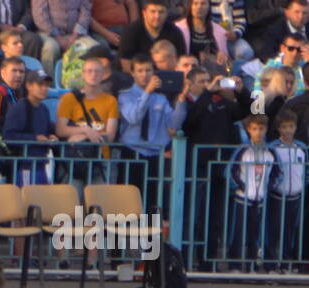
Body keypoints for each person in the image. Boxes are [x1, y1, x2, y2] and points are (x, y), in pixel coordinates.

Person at [170, 64, 247, 266]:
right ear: (191, 83)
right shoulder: (186, 101)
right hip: (195, 165)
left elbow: (247, 112)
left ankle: (208, 261)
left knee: (213, 216)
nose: (207, 85)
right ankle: (184, 261)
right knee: (191, 215)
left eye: (208, 81)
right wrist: (207, 94)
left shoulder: (221, 102)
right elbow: (188, 122)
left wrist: (243, 92)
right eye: (202, 82)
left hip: (219, 166)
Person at [118, 54, 178, 204]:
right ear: (132, 73)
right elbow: (133, 118)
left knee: (152, 202)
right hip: (132, 152)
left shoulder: (161, 98)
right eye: (140, 71)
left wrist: (182, 100)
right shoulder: (125, 96)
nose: (144, 75)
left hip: (154, 154)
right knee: (128, 202)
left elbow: (174, 124)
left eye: (148, 70)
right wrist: (146, 93)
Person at [55, 56, 119, 188]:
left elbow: (110, 136)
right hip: (75, 159)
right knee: (74, 205)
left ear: (103, 75)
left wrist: (82, 137)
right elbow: (60, 129)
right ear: (83, 74)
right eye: (89, 71)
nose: (93, 75)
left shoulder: (110, 101)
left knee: (98, 206)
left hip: (101, 159)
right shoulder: (69, 99)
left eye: (97, 71)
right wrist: (86, 131)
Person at [227, 114, 275, 266]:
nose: (258, 132)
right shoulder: (242, 150)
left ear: (266, 129)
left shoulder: (270, 151)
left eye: (261, 129)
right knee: (238, 233)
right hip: (242, 199)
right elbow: (230, 171)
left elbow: (276, 173)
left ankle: (251, 266)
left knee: (256, 235)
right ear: (249, 130)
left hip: (260, 199)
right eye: (255, 129)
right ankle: (234, 265)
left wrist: (268, 187)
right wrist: (240, 187)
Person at [4, 69, 60, 184]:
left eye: (47, 85)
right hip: (25, 166)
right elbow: (9, 136)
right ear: (29, 86)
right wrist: (35, 139)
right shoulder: (20, 108)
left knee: (39, 200)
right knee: (28, 200)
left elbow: (46, 131)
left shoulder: (43, 109)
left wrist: (51, 137)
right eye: (40, 85)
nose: (44, 88)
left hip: (40, 165)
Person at [0, 0, 62, 70]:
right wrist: (0, 27)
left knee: (32, 39)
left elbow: (29, 11)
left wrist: (21, 26)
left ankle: (27, 77)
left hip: (15, 30)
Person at [265, 110, 306, 267]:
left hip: (295, 195)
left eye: (291, 126)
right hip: (277, 195)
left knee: (290, 230)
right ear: (279, 129)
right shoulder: (273, 147)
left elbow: (305, 170)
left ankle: (286, 263)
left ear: (295, 127)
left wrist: (301, 185)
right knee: (273, 230)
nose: (288, 130)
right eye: (284, 127)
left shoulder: (301, 148)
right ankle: (270, 264)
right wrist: (274, 186)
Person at [121, 0, 189, 71]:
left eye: (161, 12)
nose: (157, 16)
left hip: (167, 74)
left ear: (167, 14)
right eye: (153, 12)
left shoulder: (175, 32)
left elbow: (182, 60)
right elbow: (126, 63)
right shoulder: (131, 31)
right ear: (144, 13)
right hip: (138, 76)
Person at [176, 0, 232, 65]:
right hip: (188, 67)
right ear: (190, 6)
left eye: (203, 3)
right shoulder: (179, 28)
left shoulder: (219, 31)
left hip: (213, 68)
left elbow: (226, 59)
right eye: (195, 3)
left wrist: (223, 55)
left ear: (209, 7)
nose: (199, 7)